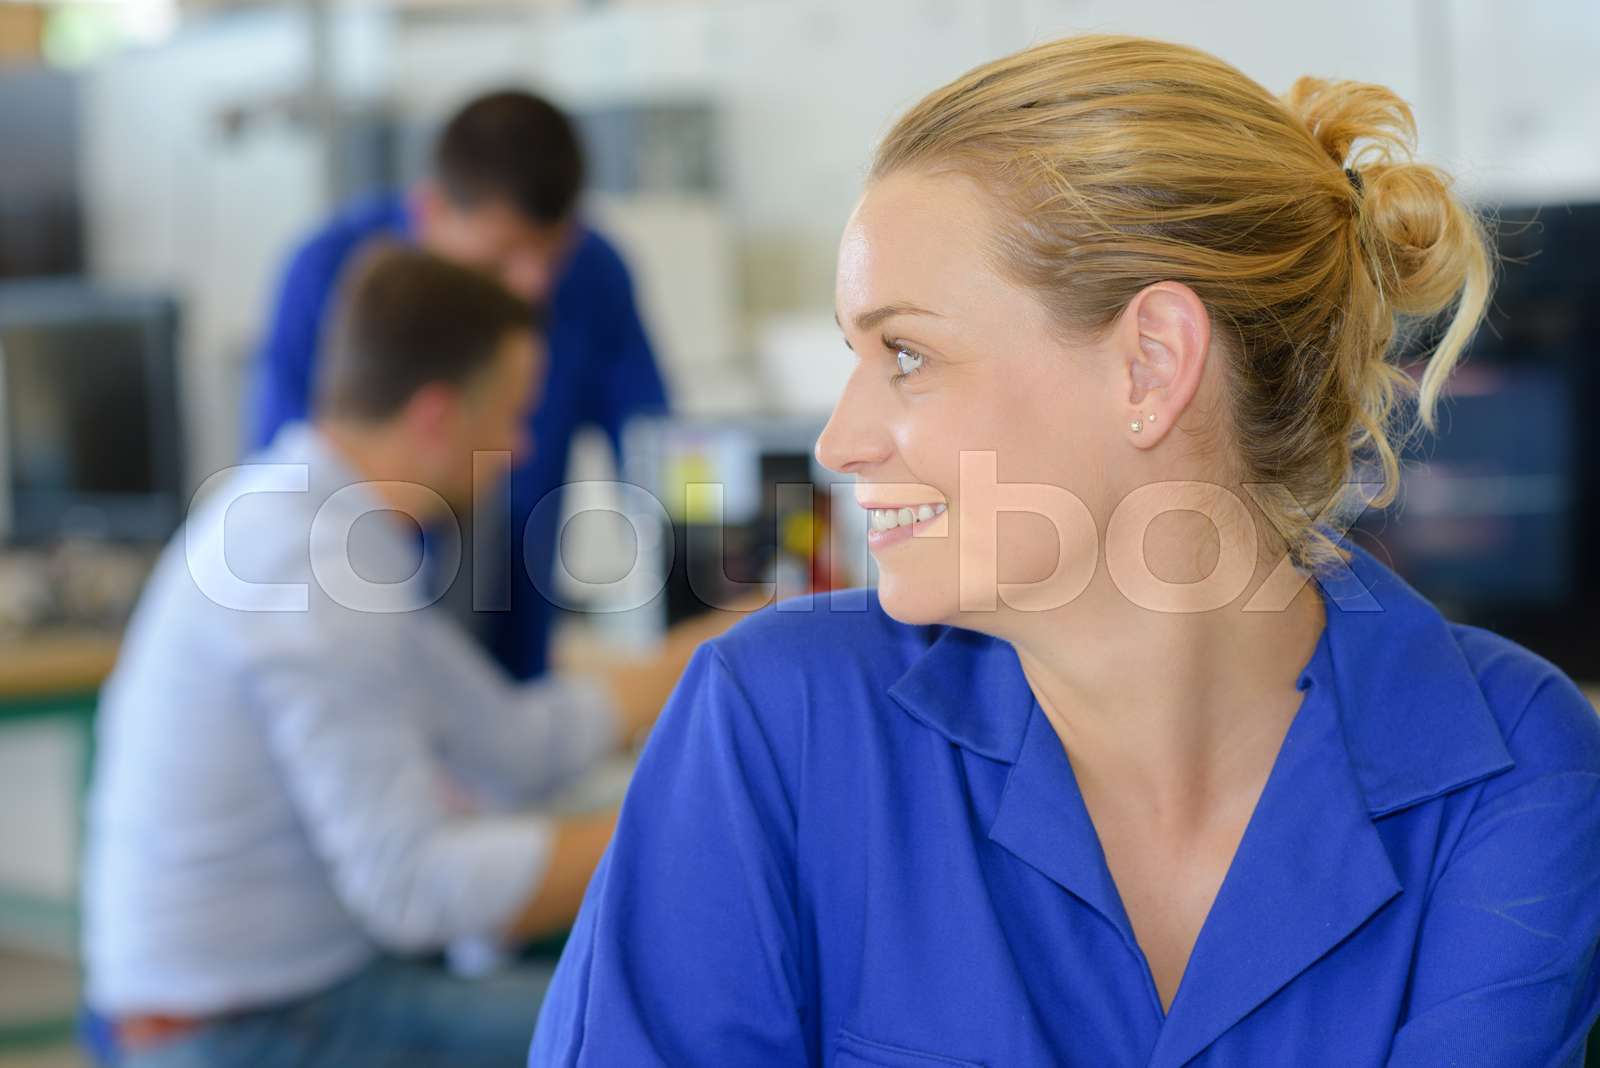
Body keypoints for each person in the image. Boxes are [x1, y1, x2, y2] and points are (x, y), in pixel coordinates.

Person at [530, 35, 1600, 1067]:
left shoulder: (1511, 766)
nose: (838, 441)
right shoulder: (779, 724)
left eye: (904, 352)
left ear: (1149, 365)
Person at [85, 246, 724, 1068]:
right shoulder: (313, 572)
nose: (523, 447)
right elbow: (412, 890)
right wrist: (693, 829)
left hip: (286, 994)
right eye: (511, 415)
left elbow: (507, 740)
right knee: (676, 1032)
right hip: (252, 1033)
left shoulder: (305, 515)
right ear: (434, 417)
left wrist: (712, 652)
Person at [250, 89, 668, 682]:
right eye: (499, 259)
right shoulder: (328, 271)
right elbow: (291, 479)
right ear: (431, 211)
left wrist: (700, 603)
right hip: (361, 607)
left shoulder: (595, 275)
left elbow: (655, 451)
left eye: (550, 259)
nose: (527, 289)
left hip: (512, 614)